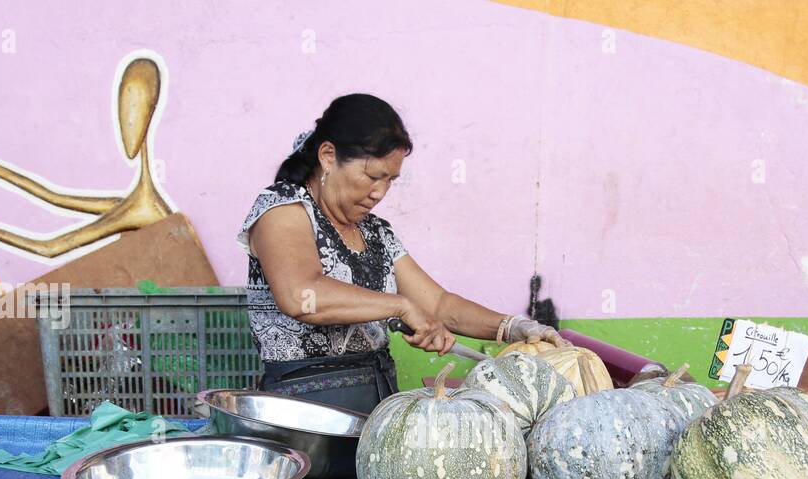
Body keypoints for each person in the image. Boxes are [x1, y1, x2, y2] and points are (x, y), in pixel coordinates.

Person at [238, 93, 565, 413]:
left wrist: (511, 327)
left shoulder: (376, 231)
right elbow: (300, 295)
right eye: (371, 176)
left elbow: (438, 303)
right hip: (302, 413)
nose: (379, 192)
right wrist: (400, 306)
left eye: (390, 180)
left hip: (378, 404)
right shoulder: (282, 208)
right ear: (327, 155)